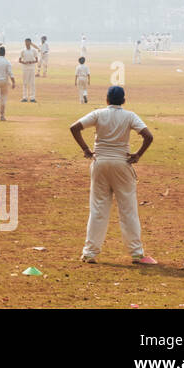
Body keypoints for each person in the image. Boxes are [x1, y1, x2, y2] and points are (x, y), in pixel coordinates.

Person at [68, 86, 157, 265]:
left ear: (107, 100)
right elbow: (148, 136)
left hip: (100, 163)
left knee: (98, 209)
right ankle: (137, 253)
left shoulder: (99, 114)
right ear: (123, 101)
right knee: (128, 210)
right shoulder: (130, 116)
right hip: (122, 164)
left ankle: (89, 253)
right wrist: (138, 154)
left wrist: (86, 149)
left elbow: (75, 128)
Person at [18, 38, 39, 102]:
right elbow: (19, 60)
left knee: (32, 83)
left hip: (32, 68)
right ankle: (25, 97)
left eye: (27, 42)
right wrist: (24, 62)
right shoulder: (23, 51)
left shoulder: (34, 51)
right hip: (25, 68)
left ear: (30, 43)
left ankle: (32, 98)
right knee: (25, 83)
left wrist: (31, 62)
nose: (26, 44)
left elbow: (36, 60)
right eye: (25, 42)